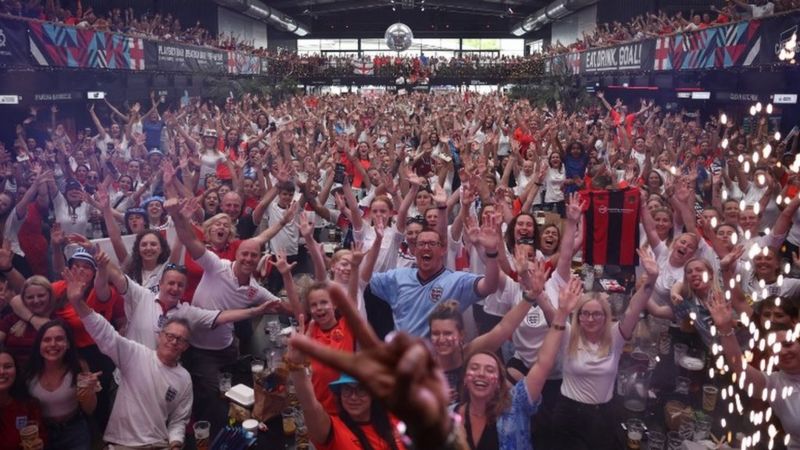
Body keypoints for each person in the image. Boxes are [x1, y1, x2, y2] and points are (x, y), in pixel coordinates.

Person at [65, 265, 192, 450]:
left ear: (186, 347)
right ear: (160, 336)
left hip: (159, 444)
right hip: (123, 444)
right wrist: (78, 303)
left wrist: (175, 442)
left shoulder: (184, 378)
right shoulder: (136, 355)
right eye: (169, 336)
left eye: (180, 340)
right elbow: (105, 332)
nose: (173, 342)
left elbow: (179, 420)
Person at [551, 248, 659, 450]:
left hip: (602, 414)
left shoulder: (616, 336)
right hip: (568, 412)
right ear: (578, 316)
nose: (590, 319)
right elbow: (549, 309)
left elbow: (635, 306)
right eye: (585, 314)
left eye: (597, 314)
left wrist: (652, 278)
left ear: (606, 316)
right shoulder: (567, 334)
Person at [367, 216, 500, 337]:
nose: (426, 248)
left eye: (432, 244)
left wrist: (491, 252)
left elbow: (490, 286)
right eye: (421, 244)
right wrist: (378, 241)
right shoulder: (397, 277)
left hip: (439, 359)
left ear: (443, 250)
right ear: (414, 250)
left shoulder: (456, 281)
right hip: (403, 359)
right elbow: (364, 280)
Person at [707, 292, 800, 449]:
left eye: (788, 344)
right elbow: (740, 369)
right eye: (775, 349)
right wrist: (725, 329)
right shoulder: (775, 383)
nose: (783, 352)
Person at [25, 320, 99, 450]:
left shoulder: (79, 366)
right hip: (42, 432)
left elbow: (89, 409)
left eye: (59, 339)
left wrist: (89, 391)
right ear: (39, 345)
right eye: (47, 340)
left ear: (68, 344)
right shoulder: (29, 371)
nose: (53, 344)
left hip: (74, 431)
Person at [0, 348, 46, 450]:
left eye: (8, 366)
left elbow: (41, 437)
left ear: (16, 371)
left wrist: (39, 445)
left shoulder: (29, 405)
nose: (2, 372)